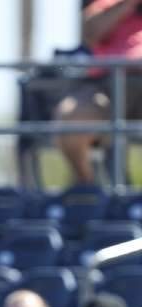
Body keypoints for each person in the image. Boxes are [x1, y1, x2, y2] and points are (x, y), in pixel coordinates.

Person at [53, 0, 142, 184]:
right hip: (106, 89)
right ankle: (87, 187)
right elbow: (90, 33)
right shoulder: (108, 4)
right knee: (71, 119)